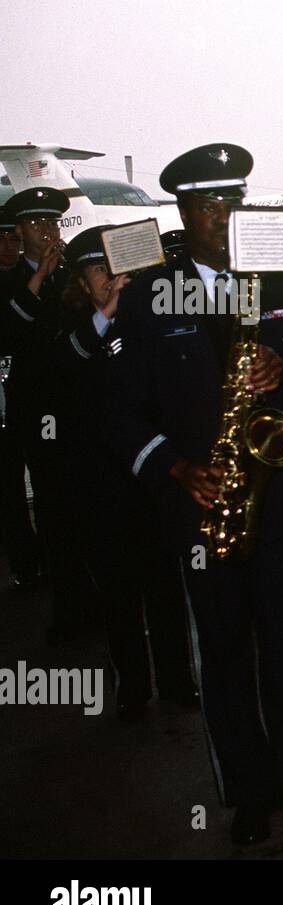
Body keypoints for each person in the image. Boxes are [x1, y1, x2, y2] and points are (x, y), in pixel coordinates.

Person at [103, 143, 283, 845]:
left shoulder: (277, 285)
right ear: (184, 210)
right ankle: (248, 792)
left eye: (234, 200)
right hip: (207, 508)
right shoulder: (149, 296)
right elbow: (115, 410)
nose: (225, 214)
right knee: (227, 655)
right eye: (212, 203)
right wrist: (174, 469)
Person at [52, 226, 197, 717]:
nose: (112, 280)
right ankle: (132, 688)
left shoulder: (144, 323)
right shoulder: (70, 326)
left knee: (165, 586)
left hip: (151, 475)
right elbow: (65, 361)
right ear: (80, 281)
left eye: (118, 270)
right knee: (119, 594)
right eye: (100, 271)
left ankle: (178, 681)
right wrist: (107, 313)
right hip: (99, 483)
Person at [1, 187, 93, 638]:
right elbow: (8, 334)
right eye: (37, 225)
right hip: (39, 414)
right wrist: (37, 282)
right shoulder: (10, 278)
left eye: (53, 223)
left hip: (78, 408)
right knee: (54, 512)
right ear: (19, 232)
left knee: (87, 509)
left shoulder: (71, 278)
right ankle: (69, 613)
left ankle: (95, 606)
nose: (48, 232)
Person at [0, 202, 40, 588]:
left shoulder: (29, 278)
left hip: (29, 400)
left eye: (13, 238)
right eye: (1, 239)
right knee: (10, 491)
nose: (9, 246)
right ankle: (26, 566)